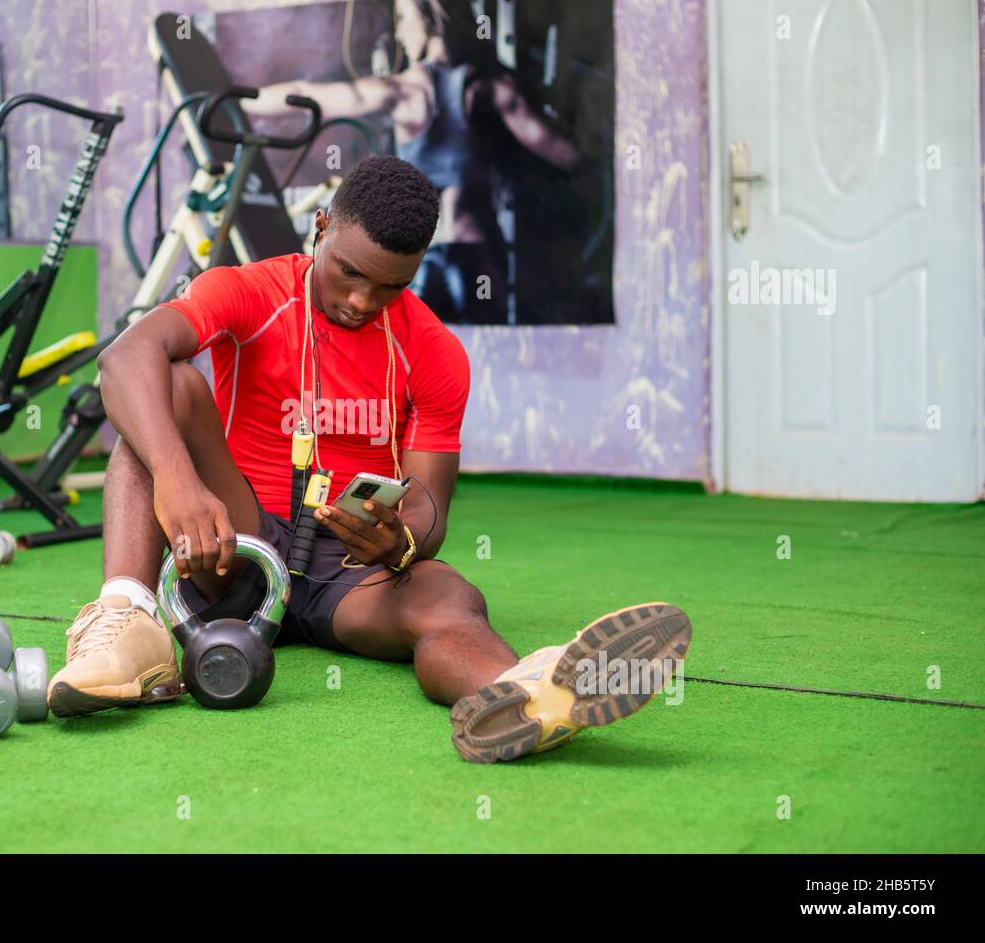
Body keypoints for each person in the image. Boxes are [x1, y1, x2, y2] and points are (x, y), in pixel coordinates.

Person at [46, 156, 690, 763]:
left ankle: (532, 695)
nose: (360, 300)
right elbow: (125, 357)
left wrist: (403, 537)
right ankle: (125, 620)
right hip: (231, 540)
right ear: (321, 226)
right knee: (169, 390)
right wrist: (178, 482)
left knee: (450, 596)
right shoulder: (252, 290)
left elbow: (431, 511)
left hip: (347, 568)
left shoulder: (434, 351)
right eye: (349, 272)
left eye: (389, 286)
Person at [245, 0, 578, 324]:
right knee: (480, 365)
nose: (400, 34)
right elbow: (563, 152)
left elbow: (309, 95)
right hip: (476, 255)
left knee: (411, 368)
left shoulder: (404, 92)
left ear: (427, 21)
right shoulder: (490, 88)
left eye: (403, 20)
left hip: (416, 262)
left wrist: (239, 101)